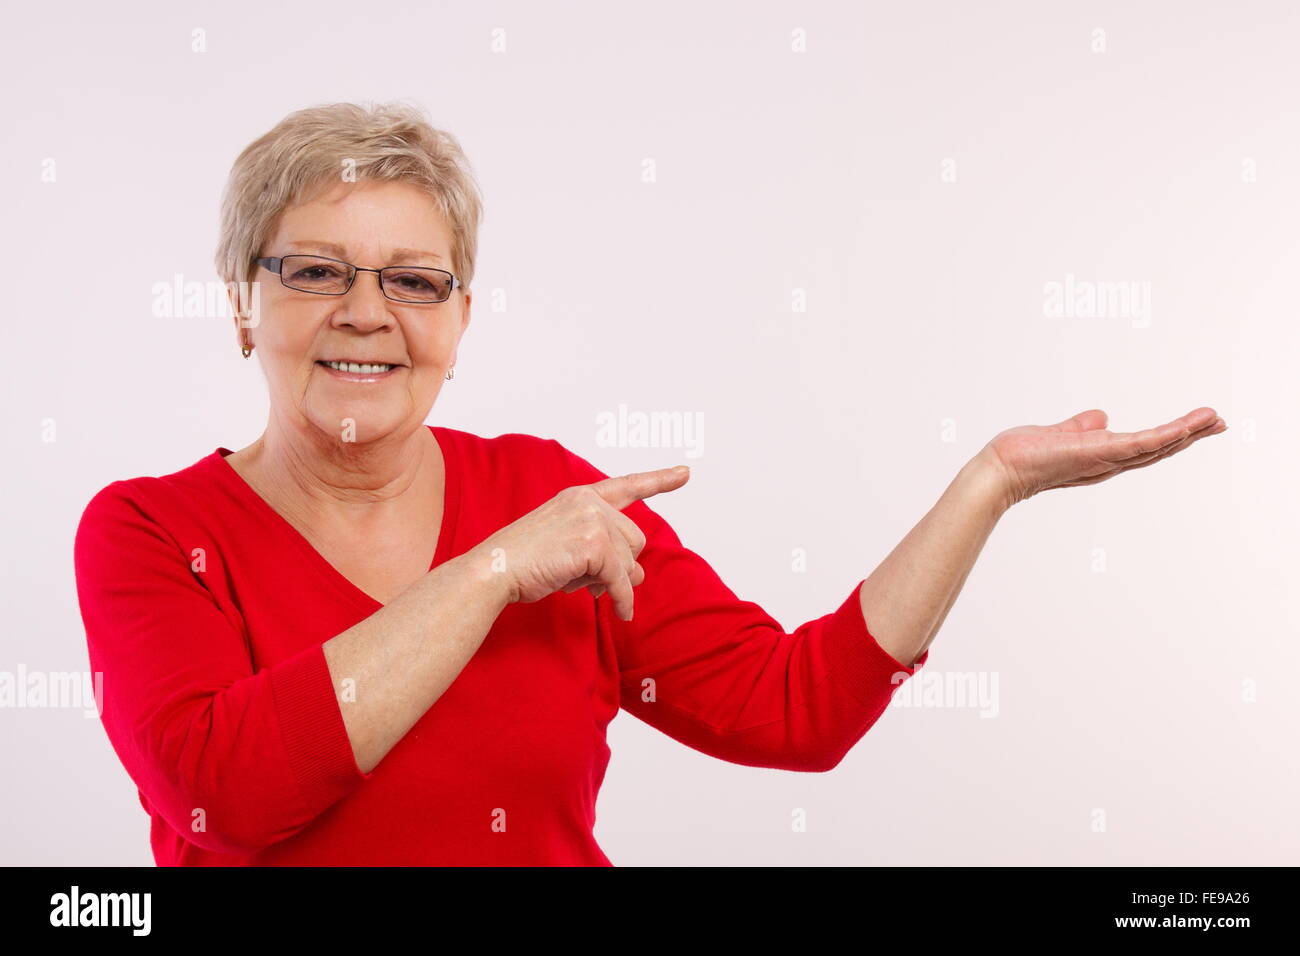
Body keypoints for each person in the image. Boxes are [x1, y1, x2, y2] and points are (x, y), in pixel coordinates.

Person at [72, 100, 1226, 866]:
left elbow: (794, 709)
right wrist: (492, 571)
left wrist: (988, 484)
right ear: (241, 302)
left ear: (460, 320)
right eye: (317, 270)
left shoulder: (544, 490)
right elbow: (223, 792)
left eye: (415, 280)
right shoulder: (150, 528)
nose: (367, 312)